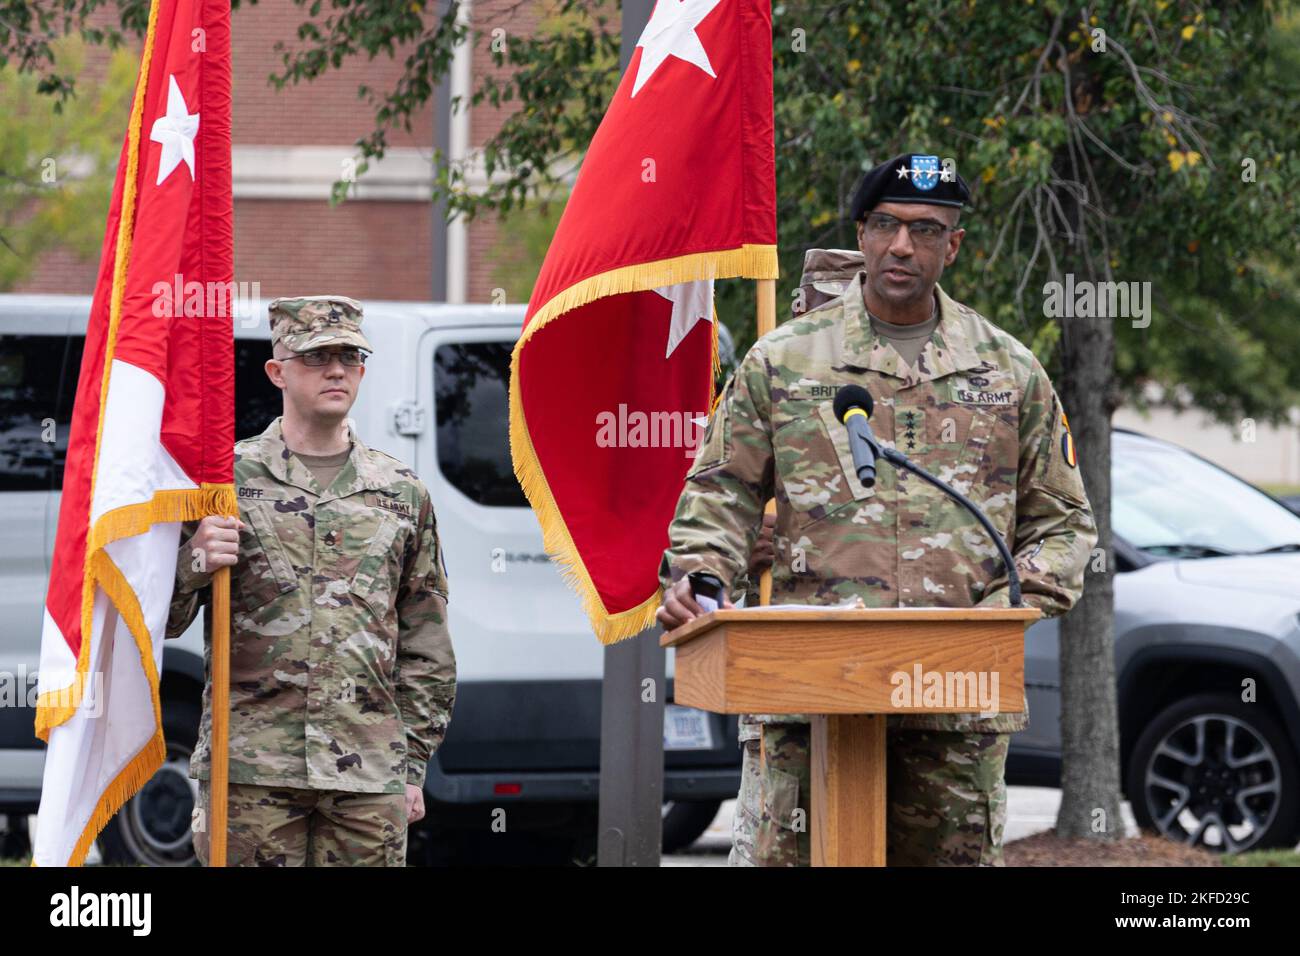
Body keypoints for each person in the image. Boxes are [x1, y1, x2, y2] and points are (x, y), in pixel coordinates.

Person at [657, 153, 1097, 866]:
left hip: (955, 704)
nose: (902, 245)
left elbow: (1065, 523)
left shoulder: (1008, 370)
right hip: (806, 703)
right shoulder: (786, 362)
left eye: (926, 230)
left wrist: (1003, 613)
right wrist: (704, 576)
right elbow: (723, 490)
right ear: (861, 234)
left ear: (952, 246)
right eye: (887, 224)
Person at [166, 295, 456, 866]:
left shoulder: (400, 492)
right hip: (249, 770)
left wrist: (411, 762)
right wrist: (196, 559)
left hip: (368, 774)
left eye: (350, 356)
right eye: (317, 356)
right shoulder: (223, 483)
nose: (337, 370)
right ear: (277, 371)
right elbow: (162, 618)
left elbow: (427, 645)